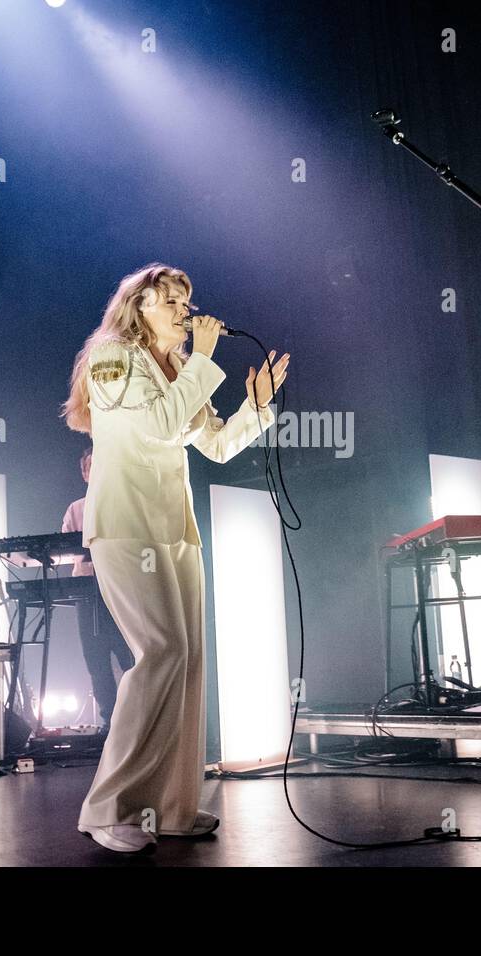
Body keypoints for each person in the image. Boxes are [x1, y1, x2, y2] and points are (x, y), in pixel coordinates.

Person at [60, 262, 291, 854]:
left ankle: (171, 808)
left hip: (175, 530)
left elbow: (216, 445)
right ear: (139, 307)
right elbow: (156, 425)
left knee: (187, 661)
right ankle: (109, 807)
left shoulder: (180, 368)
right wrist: (205, 360)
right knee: (161, 652)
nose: (185, 312)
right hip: (125, 524)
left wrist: (255, 407)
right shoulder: (112, 357)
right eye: (172, 301)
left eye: (187, 302)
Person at [60, 441, 134, 734]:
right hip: (86, 594)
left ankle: (138, 717)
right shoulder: (75, 509)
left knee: (129, 657)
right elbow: (63, 548)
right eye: (92, 466)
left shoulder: (123, 504)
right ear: (84, 473)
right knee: (96, 662)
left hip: (117, 590)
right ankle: (109, 722)